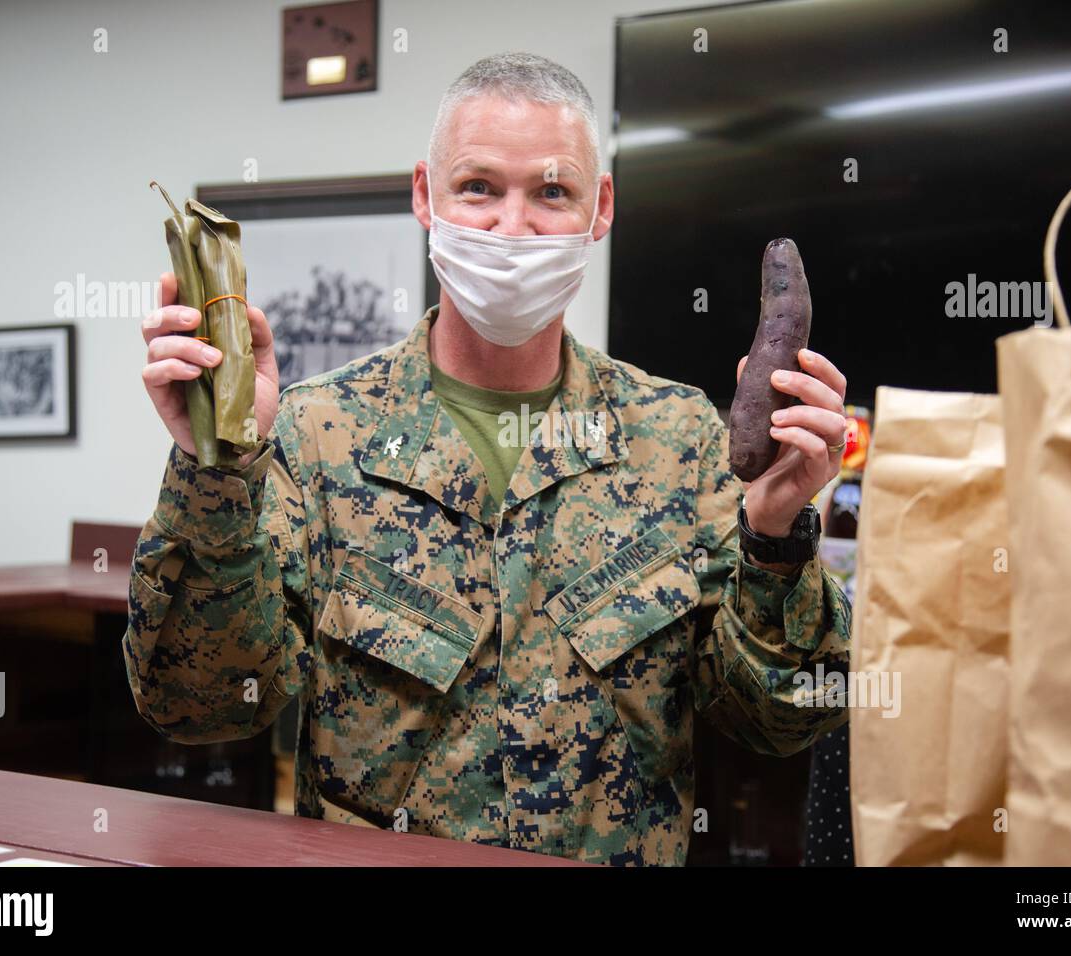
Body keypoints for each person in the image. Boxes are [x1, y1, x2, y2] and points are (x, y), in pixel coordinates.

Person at [128, 52, 852, 865]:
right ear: (423, 197)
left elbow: (780, 720)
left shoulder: (678, 439)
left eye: (551, 192)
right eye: (478, 188)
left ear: (599, 206)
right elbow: (200, 708)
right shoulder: (316, 433)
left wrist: (776, 536)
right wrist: (217, 465)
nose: (513, 227)